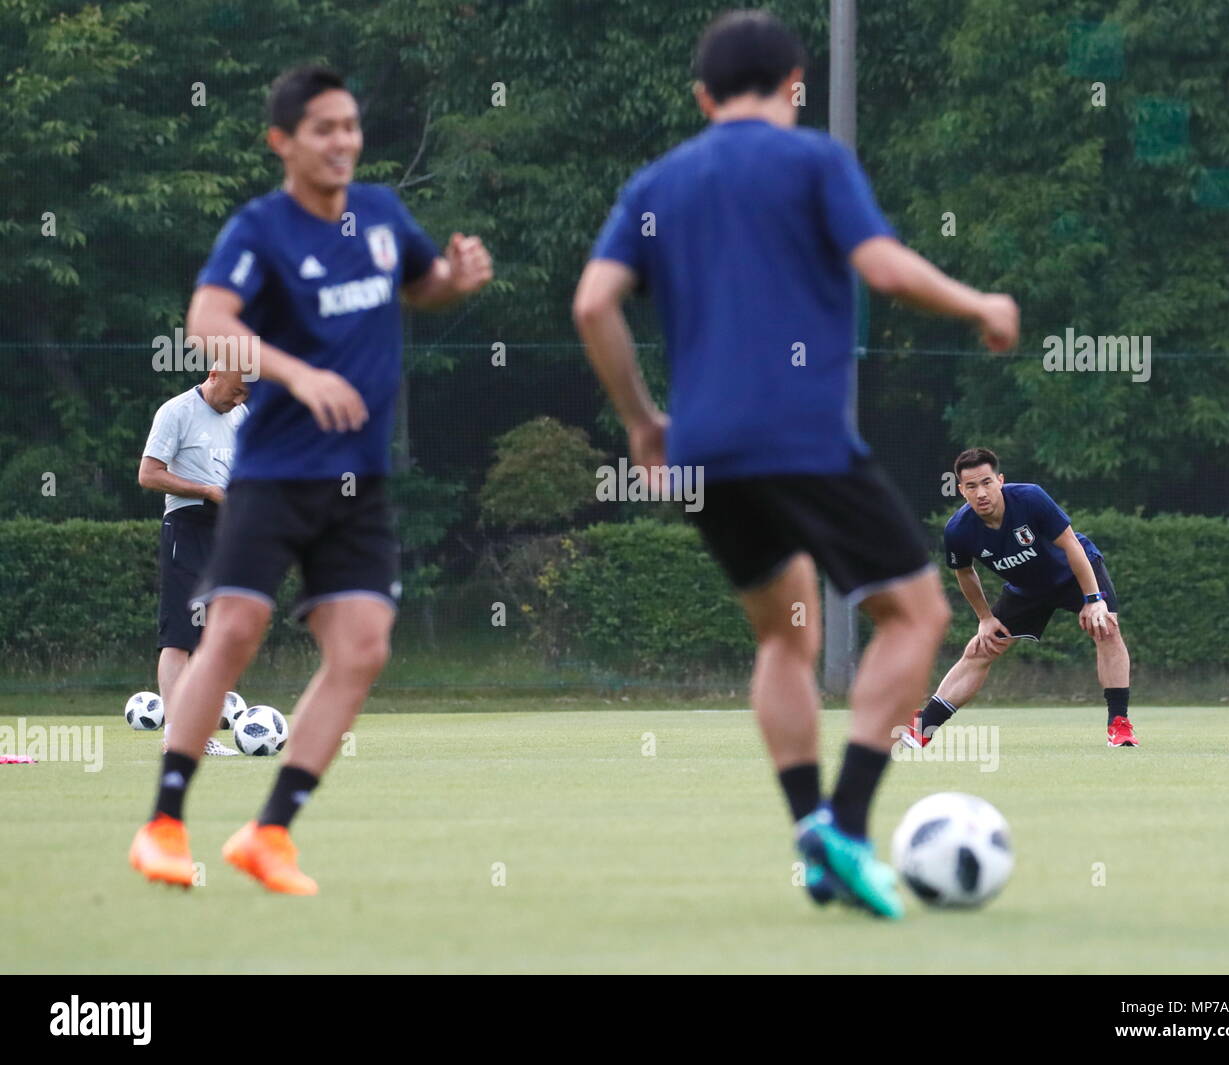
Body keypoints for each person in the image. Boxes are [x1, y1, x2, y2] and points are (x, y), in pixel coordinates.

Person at [573, 11, 1019, 917]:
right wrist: (980, 302)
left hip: (702, 451)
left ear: (702, 96)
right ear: (796, 84)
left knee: (783, 634)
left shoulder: (658, 181)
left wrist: (644, 424)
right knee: (916, 612)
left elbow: (592, 305)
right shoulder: (815, 160)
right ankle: (845, 825)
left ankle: (811, 829)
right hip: (802, 439)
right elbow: (885, 268)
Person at [128, 65, 492, 894]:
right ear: (283, 142)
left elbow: (422, 284)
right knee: (233, 632)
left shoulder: (385, 215)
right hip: (274, 474)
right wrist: (299, 374)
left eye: (351, 127)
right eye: (323, 129)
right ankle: (163, 825)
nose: (342, 142)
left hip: (359, 480)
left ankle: (268, 832)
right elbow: (208, 320)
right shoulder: (260, 229)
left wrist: (454, 281)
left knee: (362, 649)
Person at [903, 447, 1138, 749]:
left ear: (1000, 480)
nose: (981, 492)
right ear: (961, 490)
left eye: (987, 482)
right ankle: (924, 726)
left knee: (1106, 628)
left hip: (1074, 573)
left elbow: (1071, 545)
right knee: (981, 649)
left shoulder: (1030, 498)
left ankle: (1119, 725)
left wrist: (1093, 599)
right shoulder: (958, 530)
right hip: (1027, 589)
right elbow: (965, 573)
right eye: (971, 486)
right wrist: (985, 619)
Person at [139, 369, 248, 757]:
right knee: (180, 636)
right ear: (215, 373)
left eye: (245, 395)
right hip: (188, 526)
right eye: (235, 392)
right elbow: (148, 475)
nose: (238, 401)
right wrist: (205, 489)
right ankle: (178, 738)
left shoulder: (241, 416)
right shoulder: (177, 411)